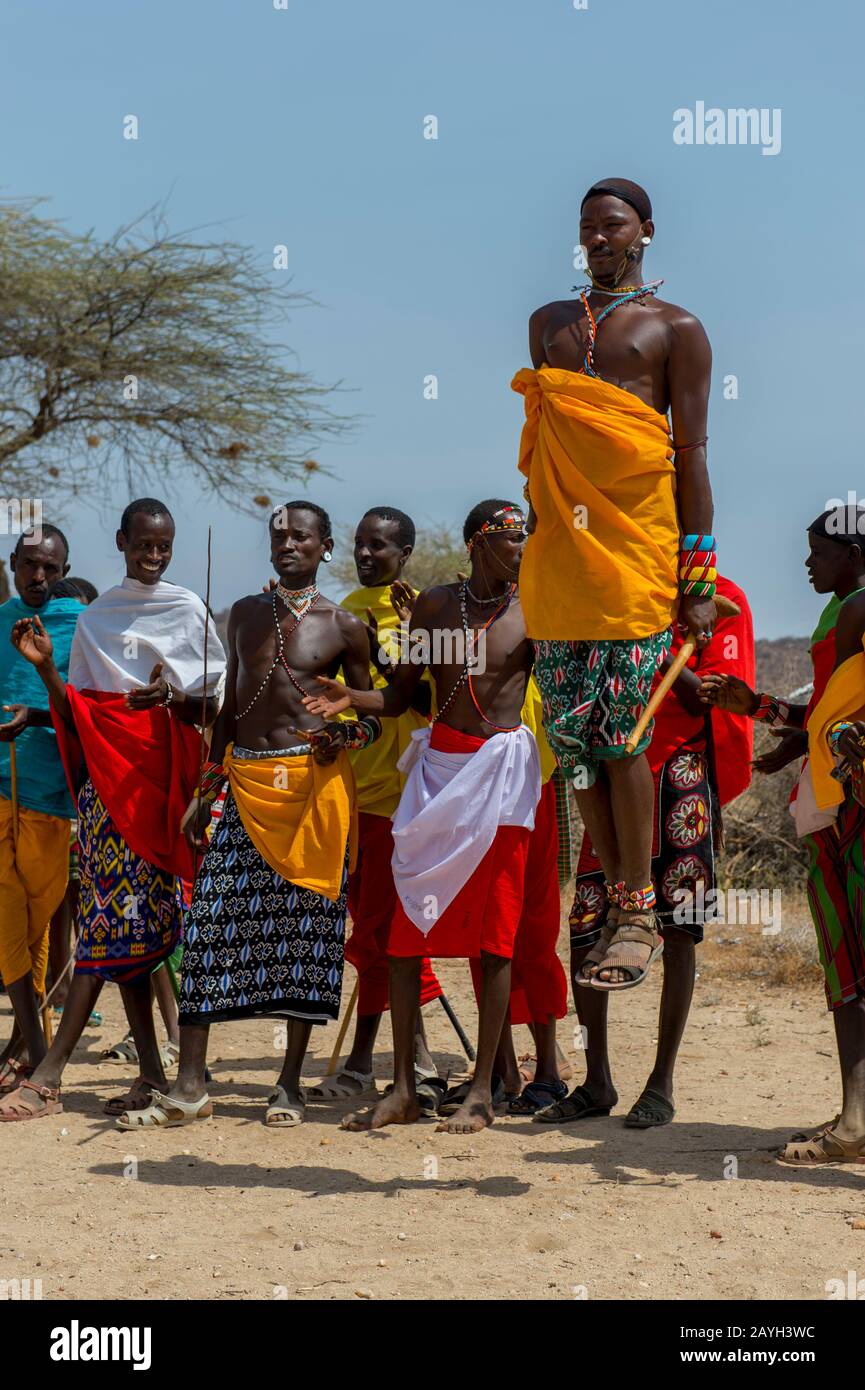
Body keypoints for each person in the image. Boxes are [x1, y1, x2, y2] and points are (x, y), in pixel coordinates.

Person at [514, 176, 716, 991]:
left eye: (612, 225)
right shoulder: (546, 325)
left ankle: (635, 908)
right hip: (560, 559)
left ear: (646, 233)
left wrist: (696, 574)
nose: (598, 237)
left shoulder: (677, 329)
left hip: (638, 552)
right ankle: (604, 898)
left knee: (625, 733)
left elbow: (691, 455)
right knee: (574, 742)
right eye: (587, 227)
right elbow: (547, 458)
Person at [120, 501, 379, 1131]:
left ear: (324, 546)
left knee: (307, 937)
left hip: (313, 795)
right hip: (244, 785)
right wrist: (205, 786)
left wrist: (343, 736)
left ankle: (288, 1085)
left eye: (300, 537)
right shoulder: (244, 615)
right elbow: (231, 708)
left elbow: (373, 715)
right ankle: (189, 1088)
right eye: (279, 536)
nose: (287, 544)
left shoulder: (344, 625)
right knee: (209, 930)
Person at [305, 499, 541, 1136]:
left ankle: (484, 1092)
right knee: (406, 934)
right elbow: (403, 694)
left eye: (525, 537)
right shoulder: (437, 606)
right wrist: (351, 697)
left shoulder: (537, 610)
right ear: (477, 544)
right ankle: (404, 1089)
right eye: (510, 538)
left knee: (496, 939)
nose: (520, 548)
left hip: (500, 779)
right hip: (437, 773)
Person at [0, 499, 226, 1122]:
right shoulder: (98, 618)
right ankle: (151, 1074)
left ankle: (50, 1076)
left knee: (117, 922)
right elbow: (80, 715)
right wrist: (47, 671)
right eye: (143, 546)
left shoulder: (187, 610)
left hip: (162, 792)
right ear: (123, 542)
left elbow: (216, 706)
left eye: (164, 547)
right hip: (107, 794)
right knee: (123, 921)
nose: (153, 557)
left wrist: (173, 697)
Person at [543, 573, 753, 1127]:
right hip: (613, 781)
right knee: (589, 920)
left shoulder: (720, 597)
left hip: (681, 767)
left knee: (680, 928)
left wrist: (647, 644)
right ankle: (596, 1080)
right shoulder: (614, 592)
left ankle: (661, 1083)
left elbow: (713, 692)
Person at [702, 511, 865, 1164]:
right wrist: (763, 712)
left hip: (853, 802)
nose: (806, 566)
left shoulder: (857, 608)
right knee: (847, 962)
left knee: (852, 961)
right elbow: (831, 708)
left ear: (853, 555)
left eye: (818, 554)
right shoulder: (839, 613)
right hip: (831, 800)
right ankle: (854, 1120)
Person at [305, 506, 445, 1110]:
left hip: (402, 793)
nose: (366, 555)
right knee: (370, 929)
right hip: (346, 792)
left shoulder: (428, 613)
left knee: (384, 930)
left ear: (405, 552)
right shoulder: (338, 614)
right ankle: (412, 1056)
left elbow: (430, 702)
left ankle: (366, 1061)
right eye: (360, 544)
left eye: (380, 546)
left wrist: (413, 641)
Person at [0, 527, 82, 1093]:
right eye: (28, 566)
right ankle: (33, 1047)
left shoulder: (81, 625)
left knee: (36, 919)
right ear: (12, 563)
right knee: (6, 920)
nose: (37, 579)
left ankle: (23, 1045)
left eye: (49, 569)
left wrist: (35, 715)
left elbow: (86, 714)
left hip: (52, 799)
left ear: (63, 568)